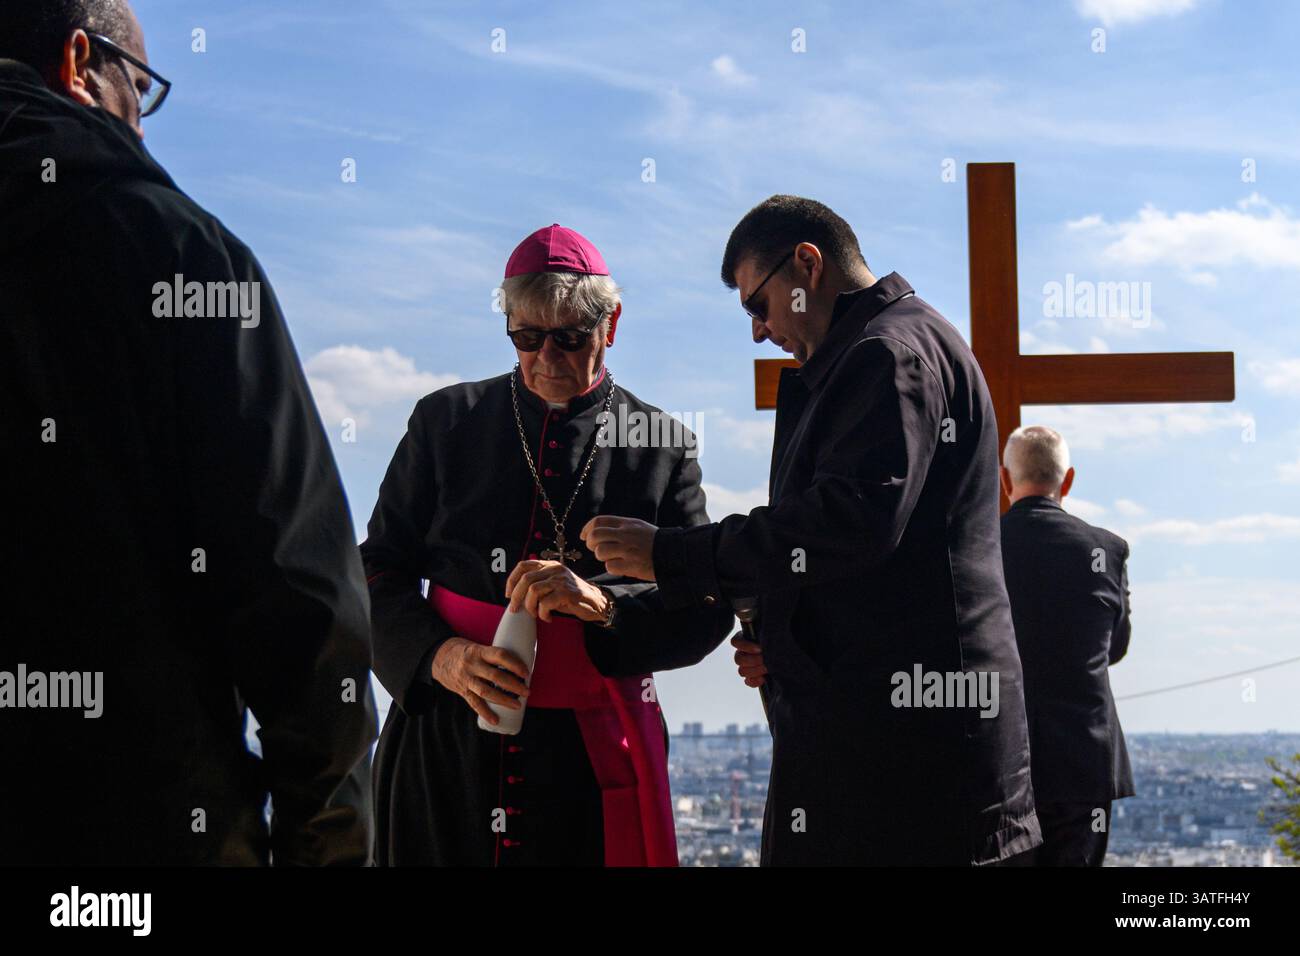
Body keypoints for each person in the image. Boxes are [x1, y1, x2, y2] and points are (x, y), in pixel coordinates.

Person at [0, 0, 376, 865]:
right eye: (142, 88)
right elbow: (303, 604)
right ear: (77, 62)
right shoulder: (184, 258)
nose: (145, 122)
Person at [584, 195, 1042, 865]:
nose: (759, 331)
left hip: (907, 770)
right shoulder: (887, 346)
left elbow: (851, 523)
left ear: (807, 263)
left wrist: (671, 553)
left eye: (757, 305)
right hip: (904, 749)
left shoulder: (888, 352)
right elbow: (877, 570)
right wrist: (790, 644)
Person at [363, 224, 733, 866]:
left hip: (588, 754)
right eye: (527, 339)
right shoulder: (445, 421)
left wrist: (606, 607)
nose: (546, 359)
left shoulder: (660, 444)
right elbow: (374, 572)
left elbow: (706, 605)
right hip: (448, 737)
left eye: (569, 337)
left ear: (610, 326)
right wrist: (440, 657)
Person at [999, 425, 1135, 866]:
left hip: (1001, 760)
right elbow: (1114, 648)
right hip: (1084, 762)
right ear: (1068, 480)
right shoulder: (1107, 550)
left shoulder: (974, 547)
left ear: (1005, 481)